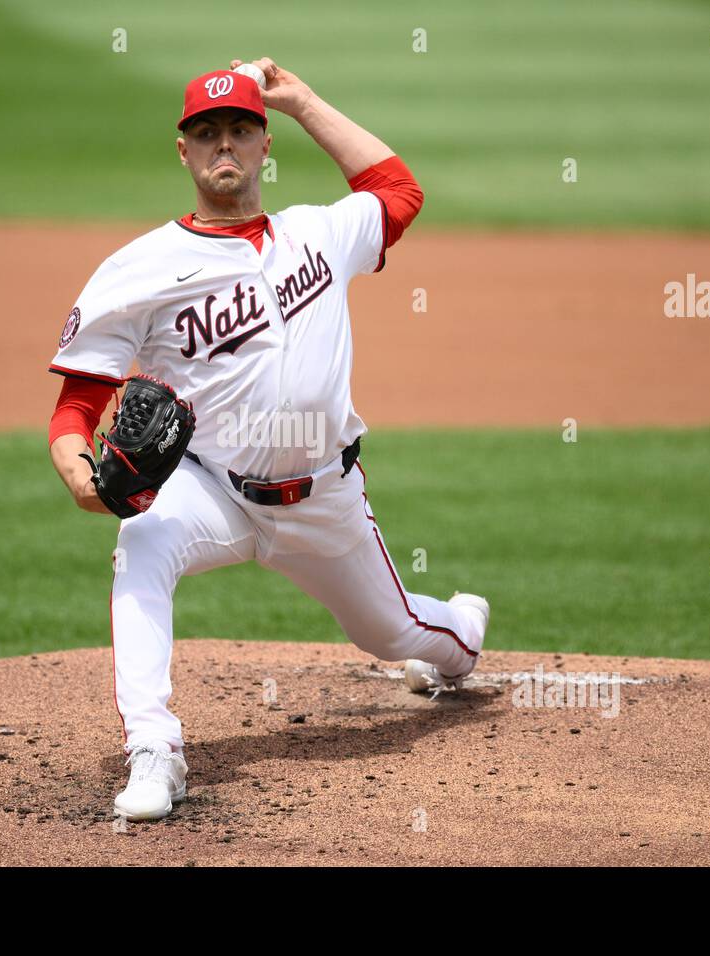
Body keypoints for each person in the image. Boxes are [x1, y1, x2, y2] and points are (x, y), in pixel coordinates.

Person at [47, 58, 490, 821]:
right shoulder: (138, 270)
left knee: (397, 635)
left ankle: (462, 626)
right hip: (211, 488)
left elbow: (398, 192)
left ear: (264, 146)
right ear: (182, 151)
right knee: (143, 541)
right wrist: (82, 478)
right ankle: (155, 751)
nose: (226, 145)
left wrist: (304, 100)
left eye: (242, 130)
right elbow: (75, 408)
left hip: (324, 498)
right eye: (208, 132)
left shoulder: (319, 234)